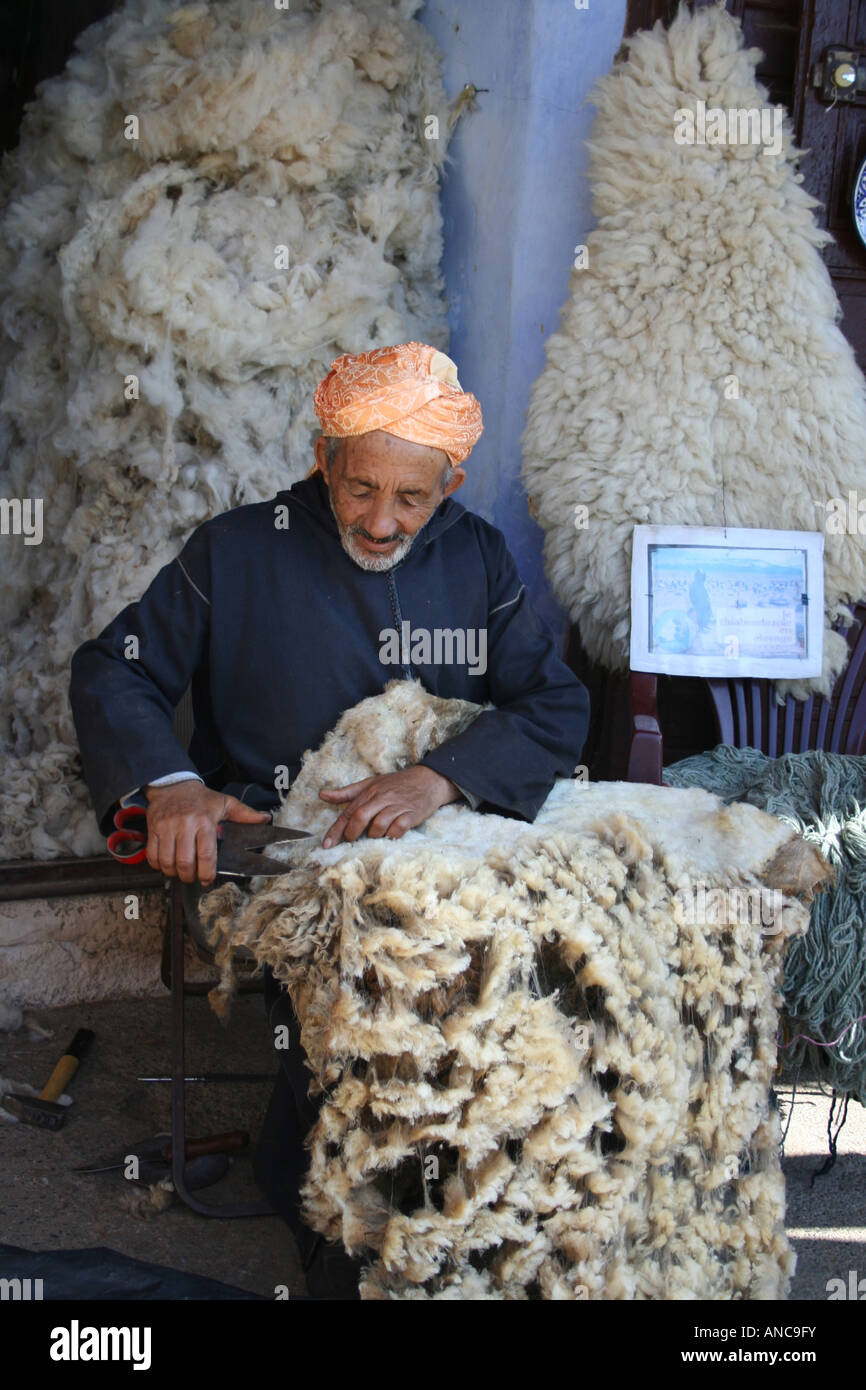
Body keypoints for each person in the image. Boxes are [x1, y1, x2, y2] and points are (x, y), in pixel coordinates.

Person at [69, 341, 590, 1296]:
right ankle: (338, 1216)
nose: (382, 523)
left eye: (410, 499)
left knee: (524, 1001)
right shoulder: (237, 550)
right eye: (359, 490)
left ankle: (489, 1220)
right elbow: (114, 668)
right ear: (322, 458)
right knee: (378, 1001)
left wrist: (441, 776)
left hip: (445, 857)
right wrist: (172, 781)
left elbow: (551, 705)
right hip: (288, 867)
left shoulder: (475, 554)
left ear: (452, 484)